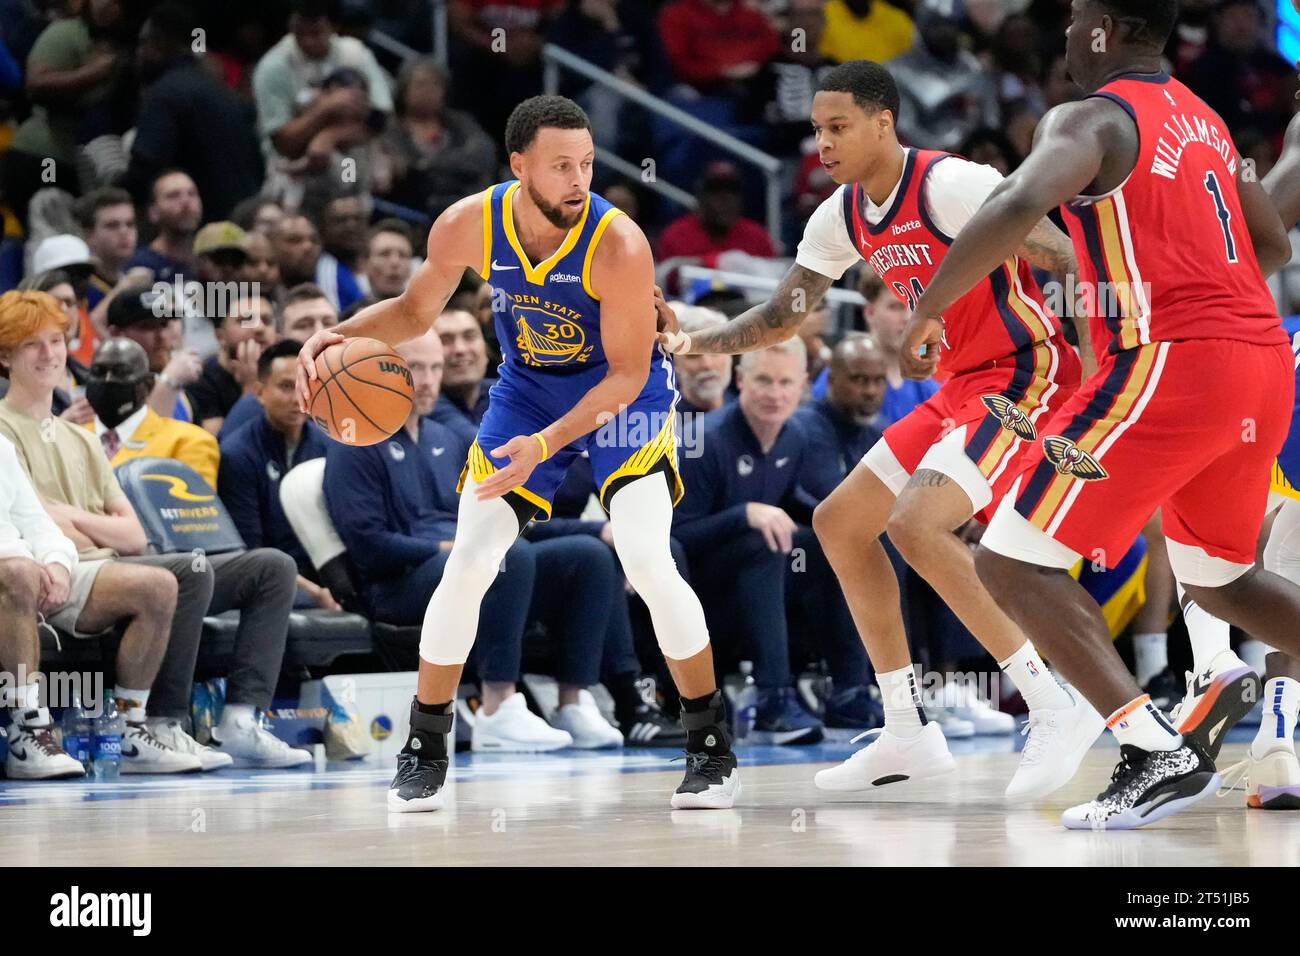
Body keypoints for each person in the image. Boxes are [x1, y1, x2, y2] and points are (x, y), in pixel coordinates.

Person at [904, 0, 1300, 830]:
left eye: (1077, 18)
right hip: (1260, 360)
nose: (1066, 33)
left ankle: (1154, 750)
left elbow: (1016, 202)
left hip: (1171, 363)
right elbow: (1271, 245)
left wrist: (932, 306)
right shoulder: (1203, 119)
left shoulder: (1093, 115)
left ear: (1107, 30)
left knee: (1010, 562)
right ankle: (1162, 740)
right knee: (1221, 578)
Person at [658, 60, 1092, 801]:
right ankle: (905, 729)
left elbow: (1063, 250)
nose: (822, 143)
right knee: (839, 522)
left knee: (918, 525)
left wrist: (1107, 340)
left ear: (882, 122)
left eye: (838, 127)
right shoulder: (841, 216)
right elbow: (783, 314)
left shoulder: (950, 184)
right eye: (817, 129)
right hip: (959, 386)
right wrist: (696, 341)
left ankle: (1055, 702)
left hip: (1028, 372)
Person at [298, 95, 738, 812]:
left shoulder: (618, 243)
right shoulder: (467, 224)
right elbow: (414, 312)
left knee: (647, 558)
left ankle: (709, 741)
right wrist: (336, 333)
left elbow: (628, 373)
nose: (579, 179)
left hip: (624, 403)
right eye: (562, 165)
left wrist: (546, 445)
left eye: (588, 164)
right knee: (470, 561)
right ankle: (426, 744)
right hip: (527, 394)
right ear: (518, 166)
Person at [324, 329, 619, 749]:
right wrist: (447, 549)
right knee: (504, 555)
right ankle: (498, 706)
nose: (427, 381)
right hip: (398, 586)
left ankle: (572, 701)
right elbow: (370, 547)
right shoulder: (355, 443)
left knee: (586, 556)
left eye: (434, 368)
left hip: (478, 568)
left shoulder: (451, 437)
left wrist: (596, 530)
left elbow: (509, 517)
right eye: (414, 369)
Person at [674, 338, 879, 740]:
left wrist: (845, 522)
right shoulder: (704, 441)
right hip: (699, 592)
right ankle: (772, 698)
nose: (775, 394)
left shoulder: (792, 437)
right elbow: (676, 537)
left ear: (802, 385)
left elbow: (794, 502)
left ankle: (850, 691)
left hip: (757, 586)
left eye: (786, 383)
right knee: (766, 544)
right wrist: (743, 514)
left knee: (838, 545)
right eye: (764, 381)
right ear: (740, 380)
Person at [0, 424, 185, 778]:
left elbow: (39, 525)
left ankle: (129, 729)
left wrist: (56, 564)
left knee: (157, 586)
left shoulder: (1, 448)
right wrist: (23, 566)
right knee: (19, 574)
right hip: (14, 570)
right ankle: (28, 731)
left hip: (26, 570)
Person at [218, 340, 338, 610]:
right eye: (286, 386)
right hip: (269, 581)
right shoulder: (237, 455)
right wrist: (318, 594)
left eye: (306, 385)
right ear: (259, 392)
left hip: (327, 574)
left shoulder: (329, 446)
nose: (299, 397)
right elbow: (250, 554)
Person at [122, 3, 265, 220]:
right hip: (242, 217)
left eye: (143, 45)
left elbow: (146, 168)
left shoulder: (164, 94)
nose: (139, 54)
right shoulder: (222, 90)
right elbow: (258, 162)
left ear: (160, 43)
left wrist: (117, 193)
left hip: (199, 225)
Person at [83, 338, 219, 488]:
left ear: (147, 384)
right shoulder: (68, 438)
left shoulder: (189, 441)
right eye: (98, 371)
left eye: (120, 372)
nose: (107, 380)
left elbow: (194, 507)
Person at [104, 282, 200, 423]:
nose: (161, 336)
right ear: (116, 334)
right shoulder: (103, 390)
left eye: (164, 324)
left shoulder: (183, 394)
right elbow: (140, 442)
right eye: (148, 326)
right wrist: (169, 382)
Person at [188, 294, 277, 435]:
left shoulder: (287, 372)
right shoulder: (200, 382)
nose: (260, 328)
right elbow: (219, 448)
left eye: (267, 321)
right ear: (220, 336)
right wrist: (250, 388)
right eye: (246, 320)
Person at [656, 162, 778, 261]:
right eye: (716, 191)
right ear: (701, 197)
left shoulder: (757, 237)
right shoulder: (675, 236)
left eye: (733, 191)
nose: (726, 200)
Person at [124, 170, 202, 285]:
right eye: (173, 196)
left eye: (192, 193)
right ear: (153, 212)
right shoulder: (141, 265)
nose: (186, 202)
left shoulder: (212, 262)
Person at [361, 219, 415, 300]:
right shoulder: (353, 313)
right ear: (365, 264)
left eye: (403, 255)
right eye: (384, 254)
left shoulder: (433, 311)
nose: (395, 262)